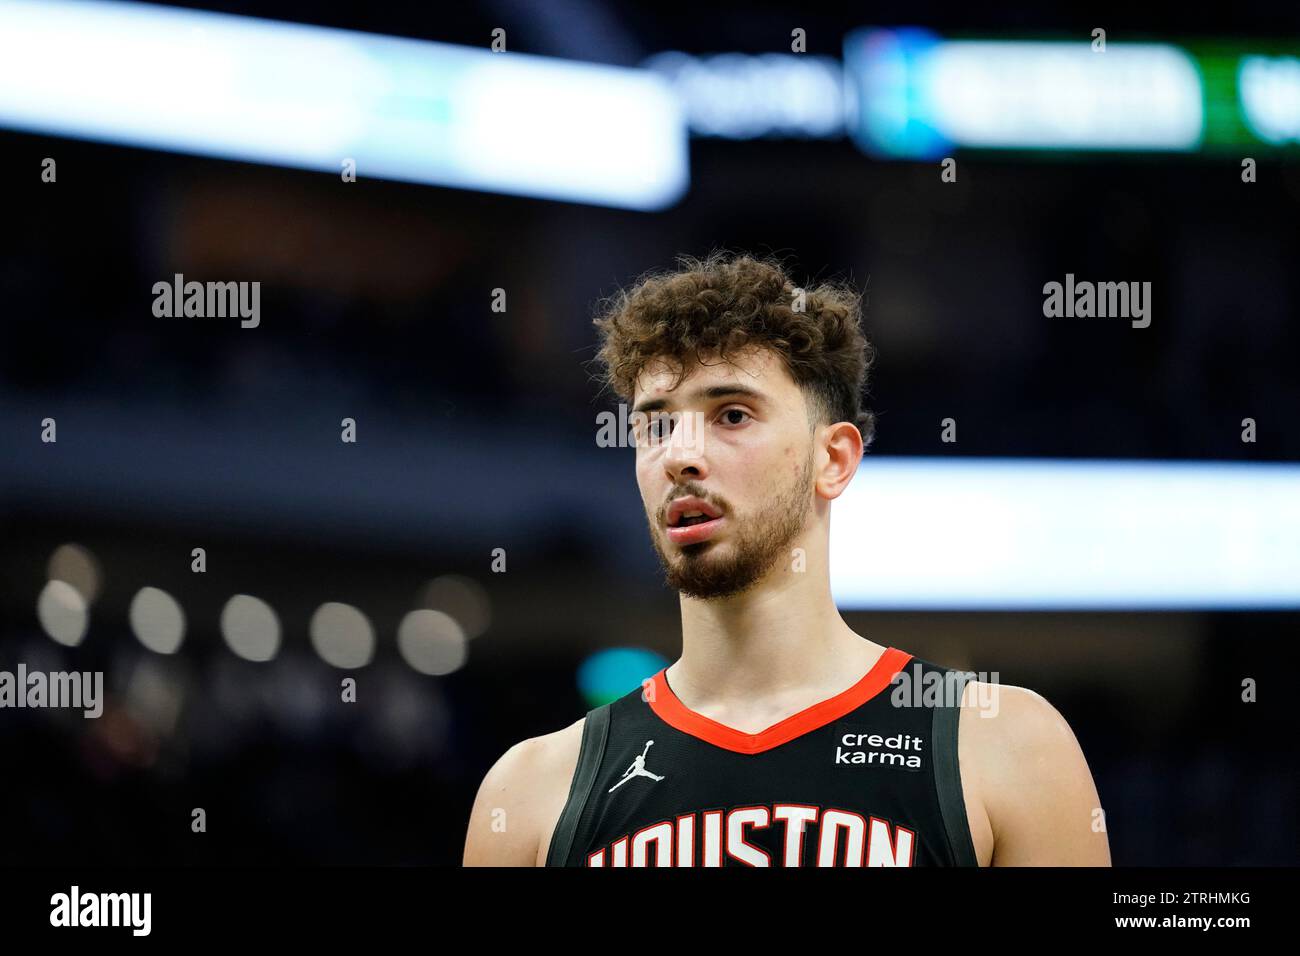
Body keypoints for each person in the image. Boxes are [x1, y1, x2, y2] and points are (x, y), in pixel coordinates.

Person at [463, 252, 1110, 867]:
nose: (680, 456)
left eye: (733, 414)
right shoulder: (529, 794)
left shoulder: (1005, 746)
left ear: (833, 459)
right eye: (655, 425)